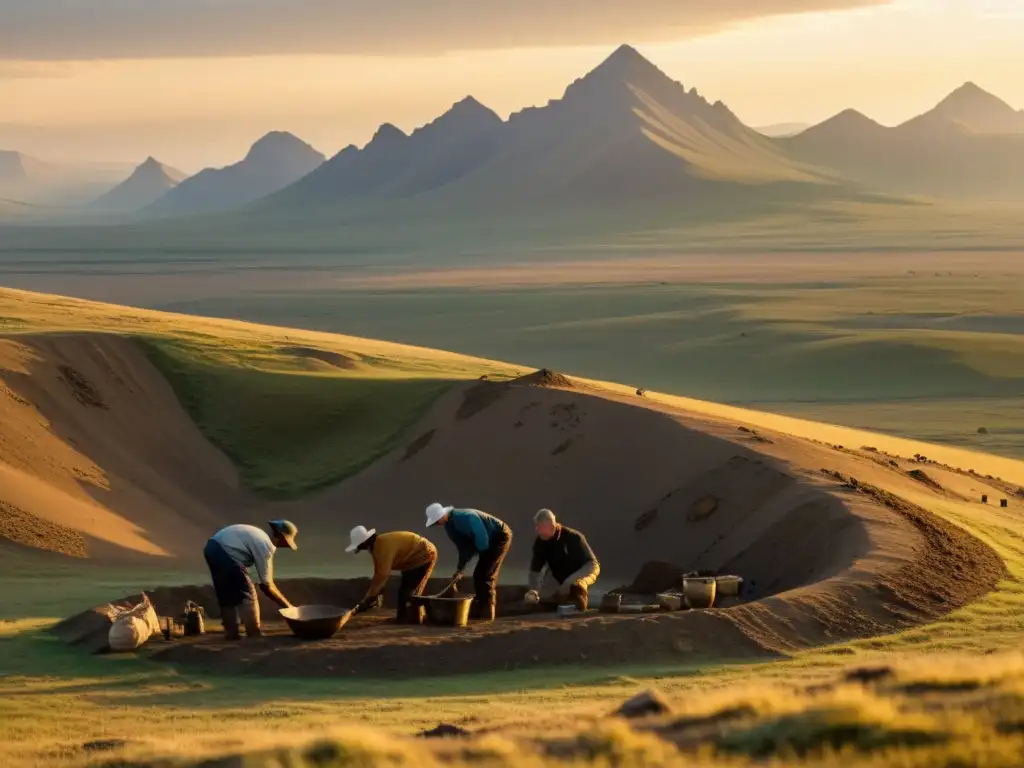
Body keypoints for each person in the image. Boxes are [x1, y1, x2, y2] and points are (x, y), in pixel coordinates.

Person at [203, 520, 297, 640]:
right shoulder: (265, 545)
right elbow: (267, 585)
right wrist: (289, 607)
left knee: (226, 595)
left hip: (212, 548)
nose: (286, 546)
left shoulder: (259, 535)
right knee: (248, 595)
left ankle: (232, 634)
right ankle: (253, 633)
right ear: (281, 536)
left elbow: (255, 578)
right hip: (226, 552)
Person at [425, 503, 512, 621]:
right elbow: (464, 548)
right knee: (479, 574)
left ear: (443, 514)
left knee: (485, 574)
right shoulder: (449, 526)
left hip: (499, 536)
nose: (437, 523)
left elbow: (482, 540)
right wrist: (460, 569)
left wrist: (481, 555)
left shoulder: (467, 517)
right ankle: (481, 608)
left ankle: (487, 612)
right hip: (487, 541)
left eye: (437, 520)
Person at [346, 525, 438, 623]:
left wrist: (368, 598)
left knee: (407, 592)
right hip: (413, 559)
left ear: (364, 542)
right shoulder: (378, 545)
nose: (361, 549)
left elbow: (382, 575)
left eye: (360, 545)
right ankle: (408, 618)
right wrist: (376, 592)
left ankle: (425, 610)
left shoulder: (382, 548)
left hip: (423, 555)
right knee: (408, 591)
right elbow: (379, 572)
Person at [523, 509, 599, 611]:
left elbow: (590, 564)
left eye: (540, 527)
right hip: (559, 573)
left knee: (575, 585)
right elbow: (535, 570)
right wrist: (532, 590)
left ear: (550, 526)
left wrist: (569, 582)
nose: (537, 530)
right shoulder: (540, 542)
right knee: (547, 596)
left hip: (587, 568)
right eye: (536, 526)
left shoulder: (573, 537)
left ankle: (580, 607)